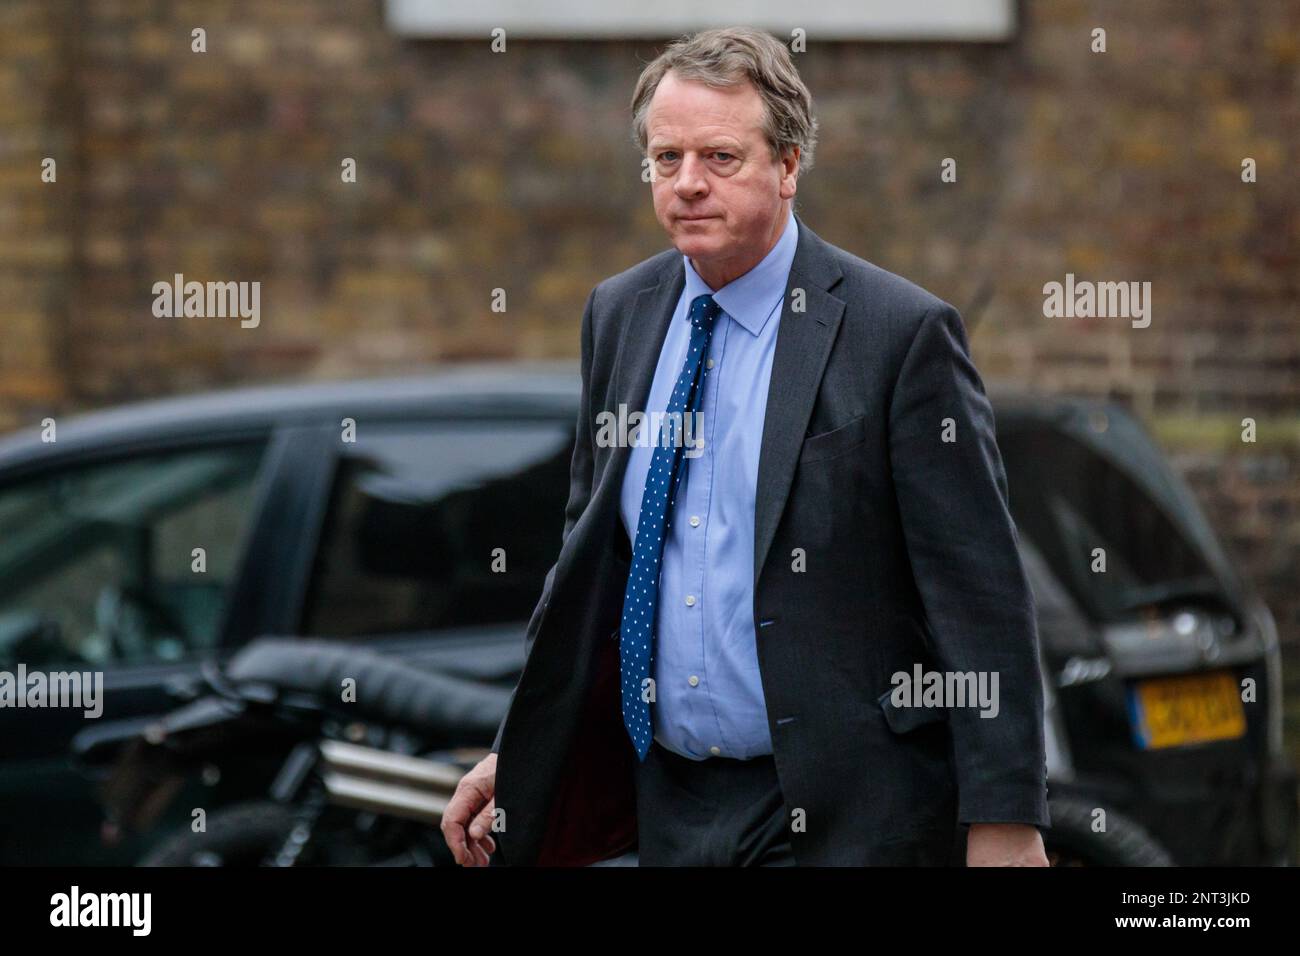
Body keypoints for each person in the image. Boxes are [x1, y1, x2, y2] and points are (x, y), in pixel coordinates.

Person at [442, 26, 1050, 867]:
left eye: (720, 158)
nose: (687, 184)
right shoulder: (617, 316)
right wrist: (525, 751)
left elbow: (979, 597)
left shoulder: (898, 335)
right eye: (666, 160)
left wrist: (1006, 823)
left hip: (849, 814)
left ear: (789, 166)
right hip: (673, 804)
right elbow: (588, 568)